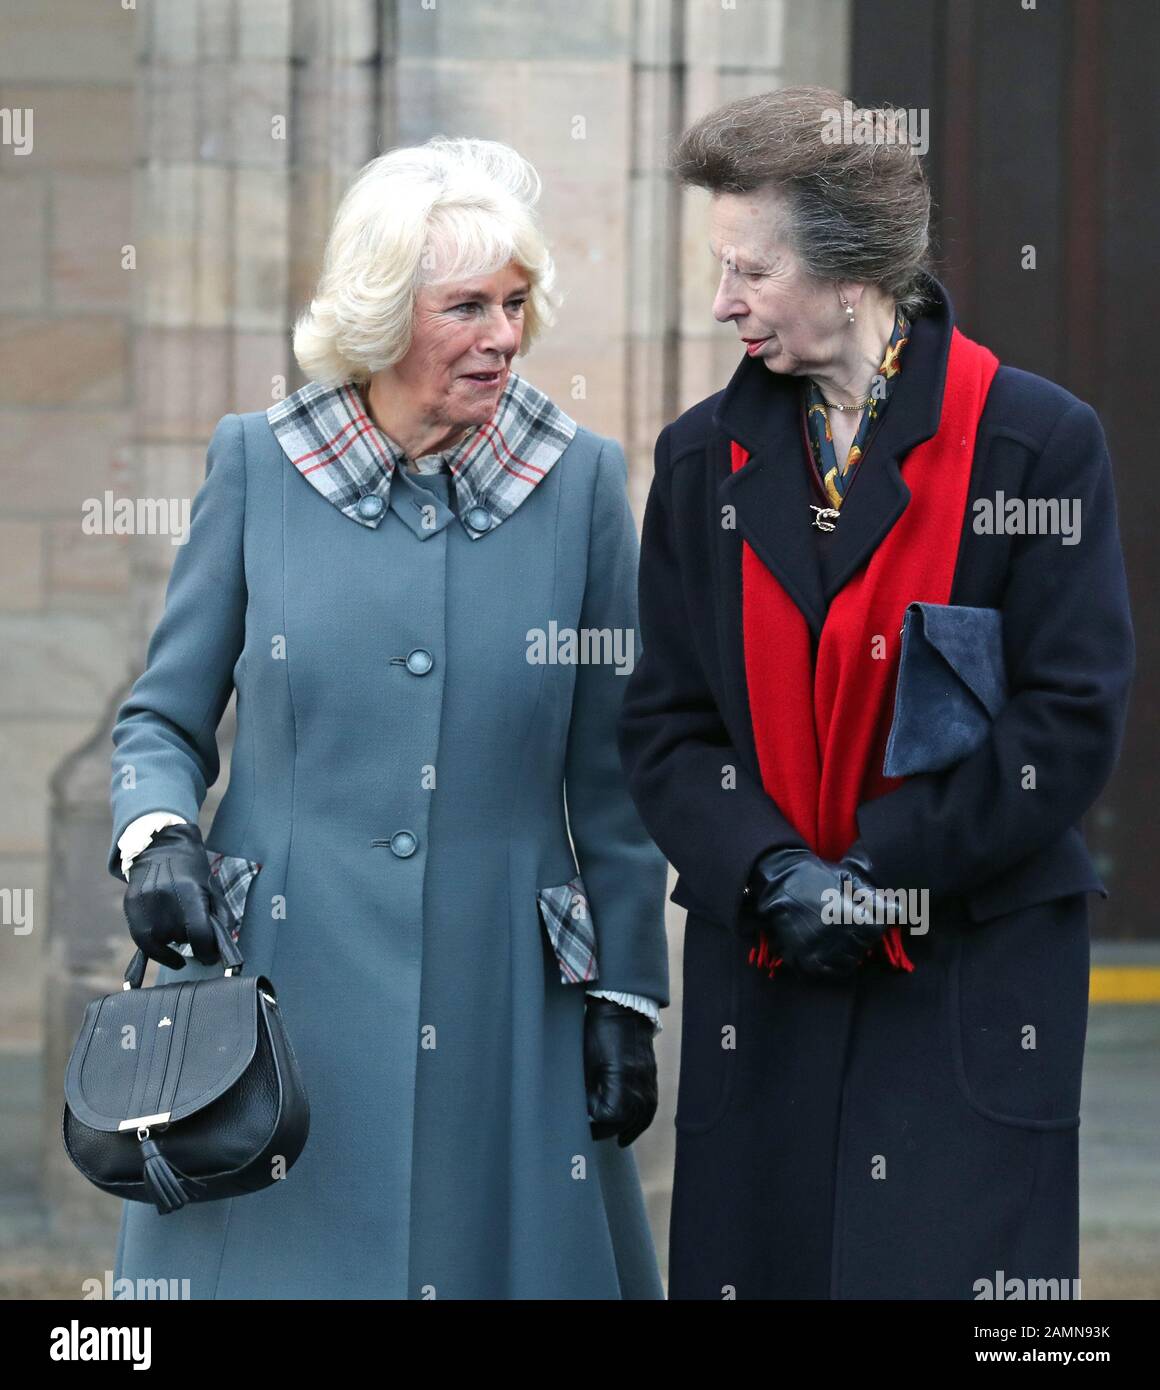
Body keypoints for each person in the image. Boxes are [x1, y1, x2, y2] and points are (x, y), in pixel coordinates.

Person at [107, 136, 669, 1299]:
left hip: (505, 999)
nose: (504, 335)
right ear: (380, 315)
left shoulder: (578, 486)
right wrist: (156, 835)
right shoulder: (258, 464)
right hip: (272, 991)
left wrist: (625, 992)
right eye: (466, 306)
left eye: (516, 304)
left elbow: (611, 781)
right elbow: (161, 719)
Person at [617, 86, 1135, 1300]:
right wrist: (775, 876)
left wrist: (880, 875)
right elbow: (664, 725)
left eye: (749, 269)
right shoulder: (699, 461)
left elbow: (1065, 719)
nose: (720, 303)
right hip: (771, 969)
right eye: (717, 267)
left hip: (967, 975)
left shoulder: (1034, 443)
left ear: (849, 271)